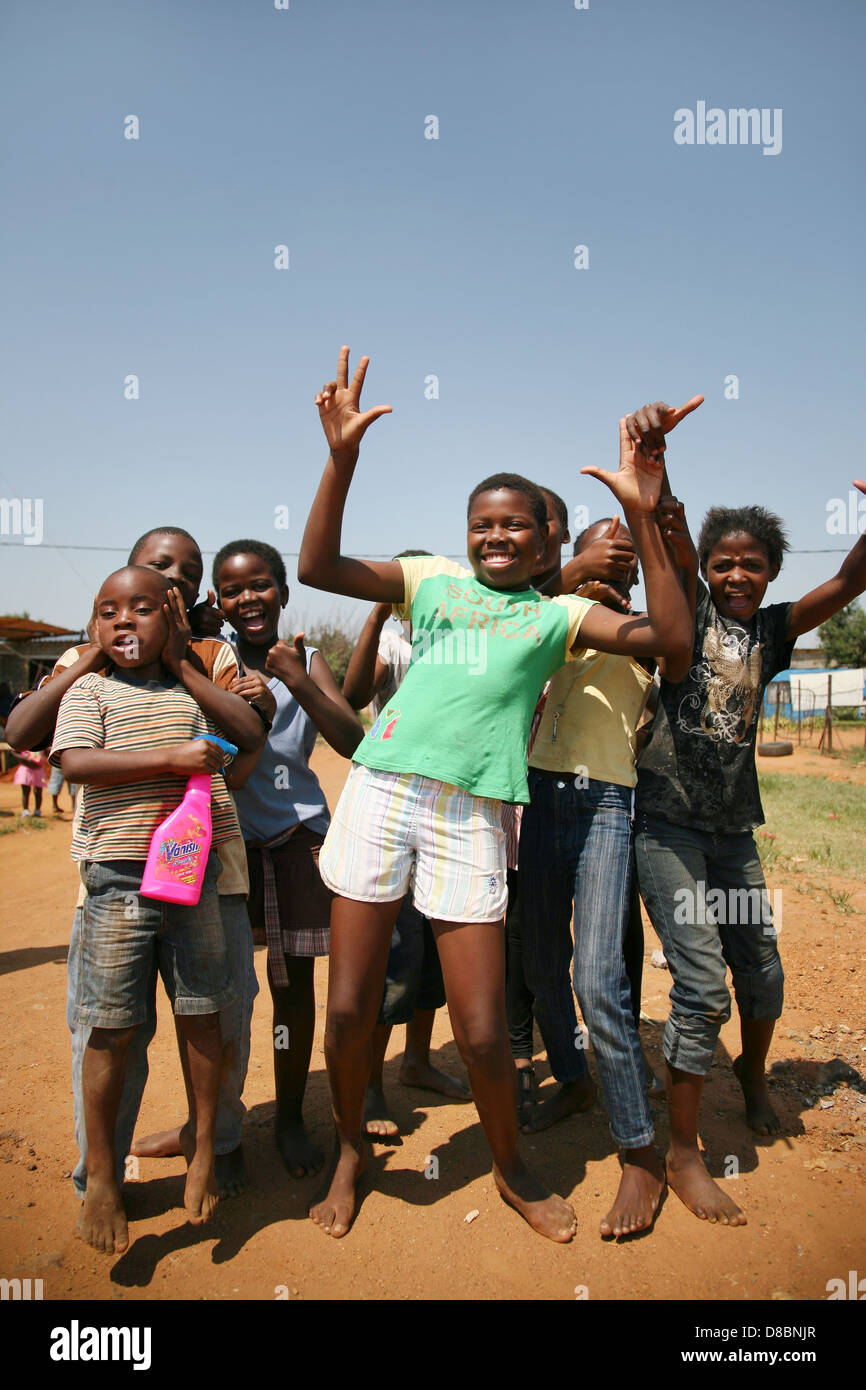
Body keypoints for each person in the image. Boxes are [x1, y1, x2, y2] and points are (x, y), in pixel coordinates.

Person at [295, 346, 694, 1242]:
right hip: (383, 791)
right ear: (465, 530)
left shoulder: (559, 616)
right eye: (484, 524)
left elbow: (672, 637)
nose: (497, 538)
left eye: (516, 526)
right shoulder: (429, 578)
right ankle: (350, 1149)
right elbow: (317, 565)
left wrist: (649, 511)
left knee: (480, 1030)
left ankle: (511, 1167)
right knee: (351, 1006)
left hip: (473, 813)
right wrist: (342, 457)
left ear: (551, 541)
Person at [630, 401, 866, 1226]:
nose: (736, 574)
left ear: (770, 573)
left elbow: (848, 582)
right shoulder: (688, 612)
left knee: (761, 971)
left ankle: (755, 1080)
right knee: (700, 983)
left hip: (733, 831)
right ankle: (684, 1153)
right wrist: (659, 479)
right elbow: (670, 537)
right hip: (666, 826)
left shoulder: (773, 629)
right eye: (725, 562)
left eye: (753, 564)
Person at [6, 525, 266, 1203]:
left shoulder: (211, 659)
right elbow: (26, 735)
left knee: (216, 1013)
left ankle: (216, 1144)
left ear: (187, 596)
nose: (174, 578)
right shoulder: (87, 664)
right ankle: (100, 1168)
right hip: (117, 874)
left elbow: (244, 744)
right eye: (158, 567)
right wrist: (94, 655)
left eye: (185, 572)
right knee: (112, 1026)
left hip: (210, 875)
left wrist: (184, 661)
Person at [518, 506, 692, 1238]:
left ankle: (640, 1153)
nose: (614, 565)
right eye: (601, 555)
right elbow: (505, 618)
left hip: (604, 803)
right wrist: (572, 584)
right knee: (537, 959)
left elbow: (678, 643)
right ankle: (576, 1078)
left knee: (597, 975)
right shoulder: (545, 616)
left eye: (627, 559)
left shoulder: (646, 632)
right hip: (537, 793)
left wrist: (635, 572)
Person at [212, 538, 365, 1177]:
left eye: (260, 585)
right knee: (216, 990)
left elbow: (355, 739)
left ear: (282, 589)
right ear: (217, 602)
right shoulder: (206, 661)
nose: (248, 598)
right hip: (224, 841)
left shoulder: (304, 658)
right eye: (232, 589)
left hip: (298, 838)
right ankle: (212, 1127)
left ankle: (293, 1118)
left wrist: (297, 680)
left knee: (293, 988)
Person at [342, 588, 470, 1138]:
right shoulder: (394, 645)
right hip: (394, 812)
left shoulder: (468, 646)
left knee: (434, 957)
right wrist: (375, 614)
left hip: (452, 817)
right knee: (392, 956)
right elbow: (351, 695)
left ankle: (417, 1061)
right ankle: (372, 1084)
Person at [14, 747, 47, 817]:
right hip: (26, 768)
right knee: (26, 791)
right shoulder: (24, 742)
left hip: (39, 769)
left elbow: (46, 752)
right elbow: (13, 751)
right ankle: (25, 810)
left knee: (38, 792)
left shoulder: (42, 742)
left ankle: (37, 810)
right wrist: (25, 758)